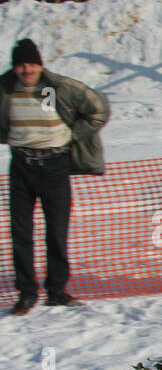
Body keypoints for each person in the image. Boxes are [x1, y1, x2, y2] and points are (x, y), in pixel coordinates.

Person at [1, 39, 110, 315]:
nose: (27, 70)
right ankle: (26, 294)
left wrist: (72, 136)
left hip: (54, 166)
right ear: (15, 67)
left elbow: (98, 108)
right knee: (21, 234)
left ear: (40, 64)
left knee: (56, 232)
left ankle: (57, 291)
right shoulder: (6, 89)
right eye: (21, 65)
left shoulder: (56, 88)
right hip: (21, 166)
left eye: (32, 64)